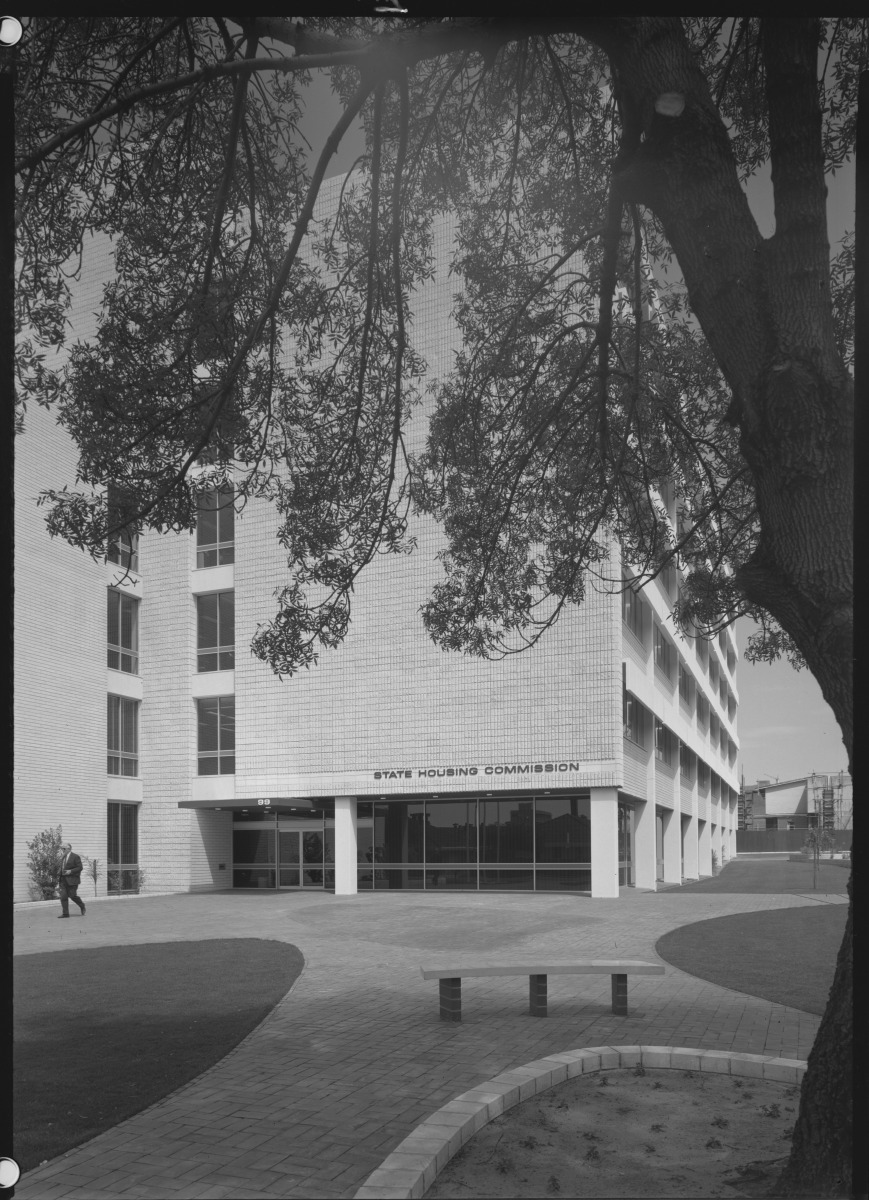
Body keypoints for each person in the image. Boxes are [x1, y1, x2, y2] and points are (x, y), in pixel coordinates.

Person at [57, 843, 86, 917]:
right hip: (63, 880)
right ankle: (65, 914)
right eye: (62, 849)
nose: (62, 850)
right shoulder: (63, 857)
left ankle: (82, 905)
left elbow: (80, 868)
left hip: (72, 880)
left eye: (63, 849)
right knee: (63, 897)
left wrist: (70, 871)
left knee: (72, 896)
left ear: (68, 849)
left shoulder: (75, 857)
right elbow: (61, 867)